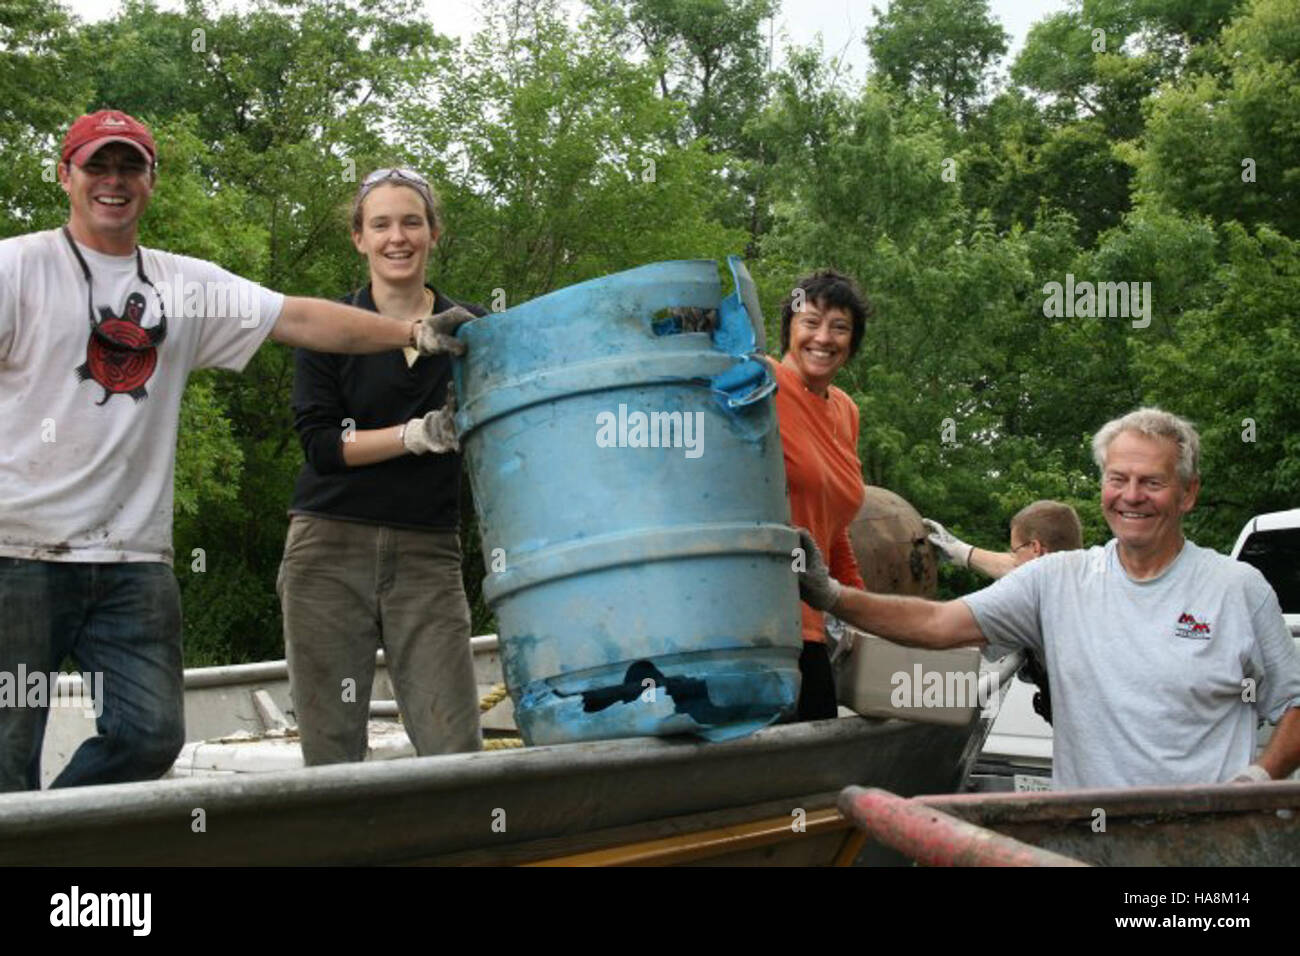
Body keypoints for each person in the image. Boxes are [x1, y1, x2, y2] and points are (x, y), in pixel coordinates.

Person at [0, 110, 472, 792]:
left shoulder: (181, 284)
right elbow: (323, 445)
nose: (114, 181)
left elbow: (301, 318)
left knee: (151, 735)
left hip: (134, 563)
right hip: (16, 555)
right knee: (8, 754)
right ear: (65, 176)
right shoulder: (17, 267)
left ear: (151, 181)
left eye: (130, 167)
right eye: (97, 166)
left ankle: (50, 832)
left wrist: (415, 334)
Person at [795, 408, 1300, 789]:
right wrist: (833, 596)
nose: (1131, 496)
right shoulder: (1056, 582)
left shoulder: (1237, 589)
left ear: (1188, 493)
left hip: (1205, 858)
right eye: (1118, 478)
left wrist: (1257, 779)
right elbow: (937, 624)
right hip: (1087, 844)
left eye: (1152, 482)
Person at [278, 168, 482, 764]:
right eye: (381, 224)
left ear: (434, 233)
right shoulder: (328, 327)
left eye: (412, 222)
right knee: (333, 753)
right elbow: (321, 445)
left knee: (454, 749)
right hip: (327, 549)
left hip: (428, 553)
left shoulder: (472, 331)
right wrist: (416, 436)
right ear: (358, 238)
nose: (398, 237)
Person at [767, 269, 871, 721]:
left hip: (813, 632)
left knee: (812, 782)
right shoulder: (761, 381)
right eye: (810, 322)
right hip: (756, 624)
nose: (823, 338)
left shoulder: (846, 410)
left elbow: (834, 530)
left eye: (840, 327)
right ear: (788, 329)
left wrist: (865, 613)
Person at [923, 500, 1085, 723]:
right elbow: (1021, 567)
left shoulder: (1034, 603)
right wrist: (961, 552)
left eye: (1015, 550)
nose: (1012, 558)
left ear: (1036, 548)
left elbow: (948, 630)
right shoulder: (1089, 575)